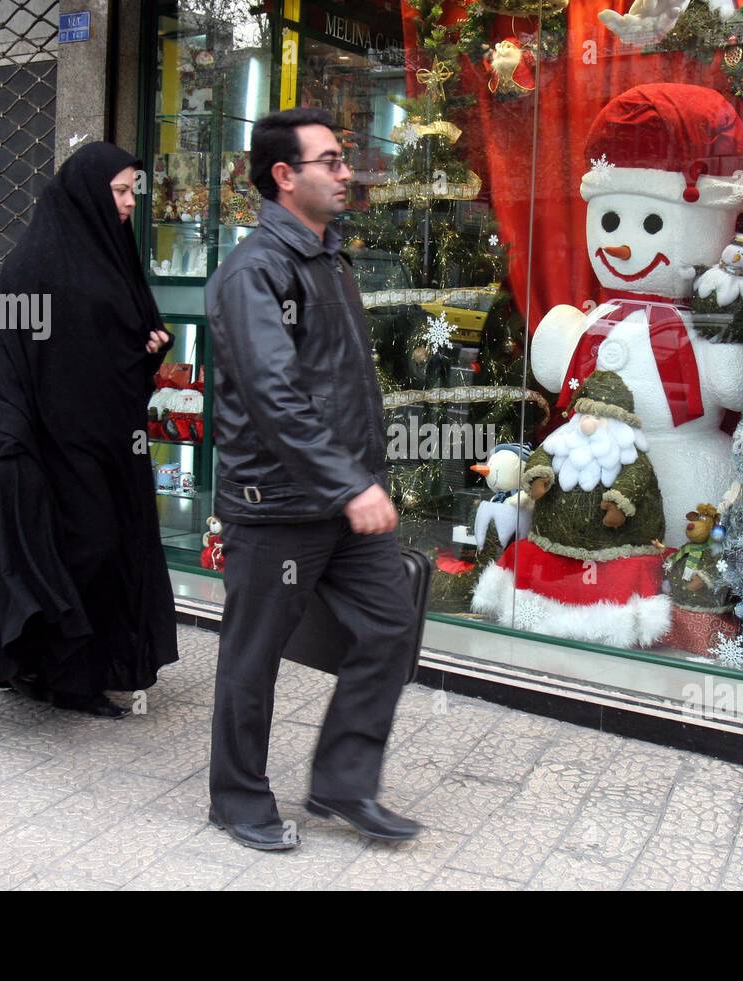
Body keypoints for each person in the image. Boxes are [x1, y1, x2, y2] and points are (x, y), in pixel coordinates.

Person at [205, 108, 422, 850]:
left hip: (342, 495)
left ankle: (342, 782)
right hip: (280, 504)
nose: (346, 171)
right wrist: (350, 484)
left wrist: (360, 479)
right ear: (284, 176)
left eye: (344, 158)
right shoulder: (252, 272)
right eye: (329, 160)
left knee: (391, 625)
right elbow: (274, 397)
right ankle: (237, 797)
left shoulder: (328, 259)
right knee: (253, 654)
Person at [0, 142, 179, 717]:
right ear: (88, 190)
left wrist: (148, 348)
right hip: (51, 444)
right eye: (118, 190)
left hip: (110, 438)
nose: (127, 203)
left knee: (110, 551)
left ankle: (57, 670)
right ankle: (64, 678)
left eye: (131, 191)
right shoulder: (35, 262)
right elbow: (5, 358)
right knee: (87, 547)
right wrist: (8, 442)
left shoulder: (112, 255)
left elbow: (120, 340)